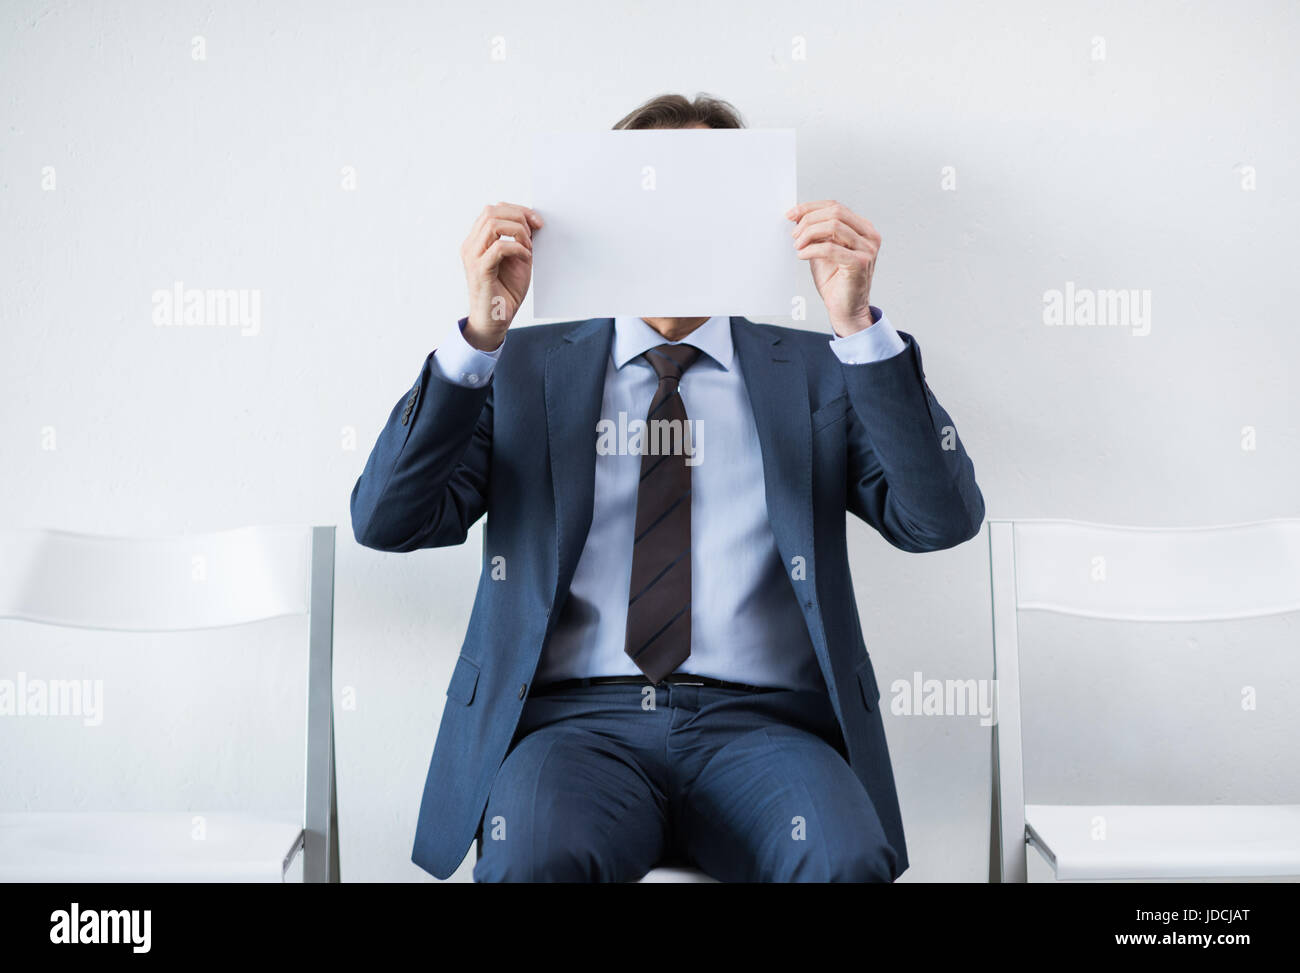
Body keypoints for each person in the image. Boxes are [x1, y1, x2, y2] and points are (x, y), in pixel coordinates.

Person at [351, 93, 985, 882]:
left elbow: (940, 518)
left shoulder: (819, 368)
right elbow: (386, 518)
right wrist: (478, 339)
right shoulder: (521, 369)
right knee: (534, 856)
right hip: (574, 731)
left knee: (843, 858)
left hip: (766, 731)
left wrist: (861, 330)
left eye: (704, 197)